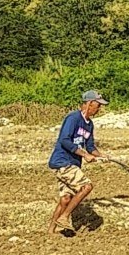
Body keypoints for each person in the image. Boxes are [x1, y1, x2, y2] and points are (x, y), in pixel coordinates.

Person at [47, 90, 109, 234]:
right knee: (86, 187)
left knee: (66, 198)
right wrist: (84, 155)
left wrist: (101, 155)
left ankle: (50, 231)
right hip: (62, 161)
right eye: (97, 105)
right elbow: (64, 140)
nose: (99, 108)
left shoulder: (89, 124)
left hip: (72, 164)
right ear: (88, 104)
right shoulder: (73, 118)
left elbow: (90, 146)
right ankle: (64, 217)